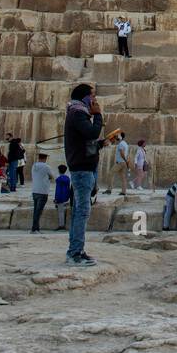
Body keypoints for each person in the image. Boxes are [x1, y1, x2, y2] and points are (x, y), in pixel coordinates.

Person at [63, 82, 106, 265]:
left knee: (80, 211)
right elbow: (92, 133)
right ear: (85, 97)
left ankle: (76, 250)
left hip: (82, 166)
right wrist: (98, 116)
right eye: (93, 96)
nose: (95, 99)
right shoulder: (79, 112)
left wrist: (100, 145)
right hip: (82, 169)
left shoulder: (76, 111)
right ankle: (74, 254)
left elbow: (86, 141)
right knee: (82, 211)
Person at [30, 153, 54, 233]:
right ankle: (35, 229)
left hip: (35, 190)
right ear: (45, 159)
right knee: (38, 212)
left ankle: (35, 228)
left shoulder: (34, 166)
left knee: (36, 211)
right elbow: (51, 176)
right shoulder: (47, 167)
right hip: (43, 191)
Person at [106, 131, 130, 197]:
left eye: (117, 136)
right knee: (123, 177)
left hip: (120, 163)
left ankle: (109, 189)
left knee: (111, 173)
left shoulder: (121, 144)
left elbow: (122, 153)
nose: (116, 137)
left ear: (120, 137)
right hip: (123, 163)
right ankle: (124, 191)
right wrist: (126, 161)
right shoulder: (125, 143)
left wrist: (125, 160)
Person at [54, 163, 72, 230]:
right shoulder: (67, 178)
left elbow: (58, 190)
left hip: (60, 198)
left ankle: (61, 225)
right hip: (66, 197)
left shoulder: (59, 179)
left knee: (60, 212)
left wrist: (56, 199)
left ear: (59, 170)